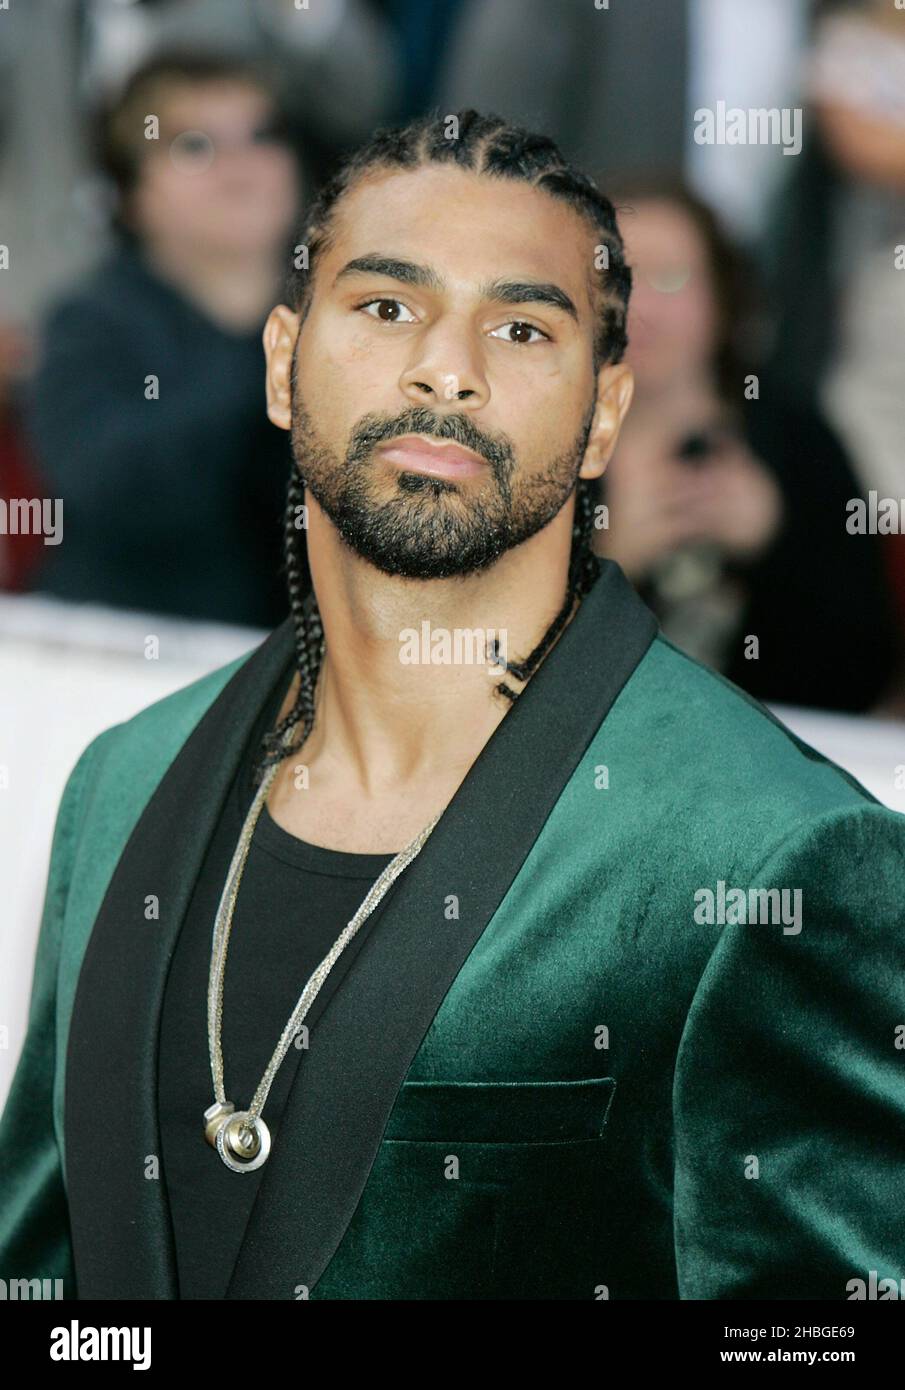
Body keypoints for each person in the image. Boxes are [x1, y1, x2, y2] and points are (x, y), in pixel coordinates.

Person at [1, 110, 903, 1302]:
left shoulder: (774, 850)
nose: (447, 365)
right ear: (281, 362)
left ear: (603, 419)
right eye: (384, 306)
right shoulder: (119, 782)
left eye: (521, 326)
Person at [595, 182, 899, 712]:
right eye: (614, 276)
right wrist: (608, 565)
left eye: (671, 278)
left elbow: (865, 670)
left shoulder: (794, 437)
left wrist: (777, 542)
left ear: (722, 297)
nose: (640, 306)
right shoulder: (538, 442)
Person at [25, 52, 304, 626]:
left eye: (260, 136)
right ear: (131, 193)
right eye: (196, 146)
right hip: (124, 656)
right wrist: (270, 362)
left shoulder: (355, 317)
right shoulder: (91, 324)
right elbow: (112, 488)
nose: (239, 166)